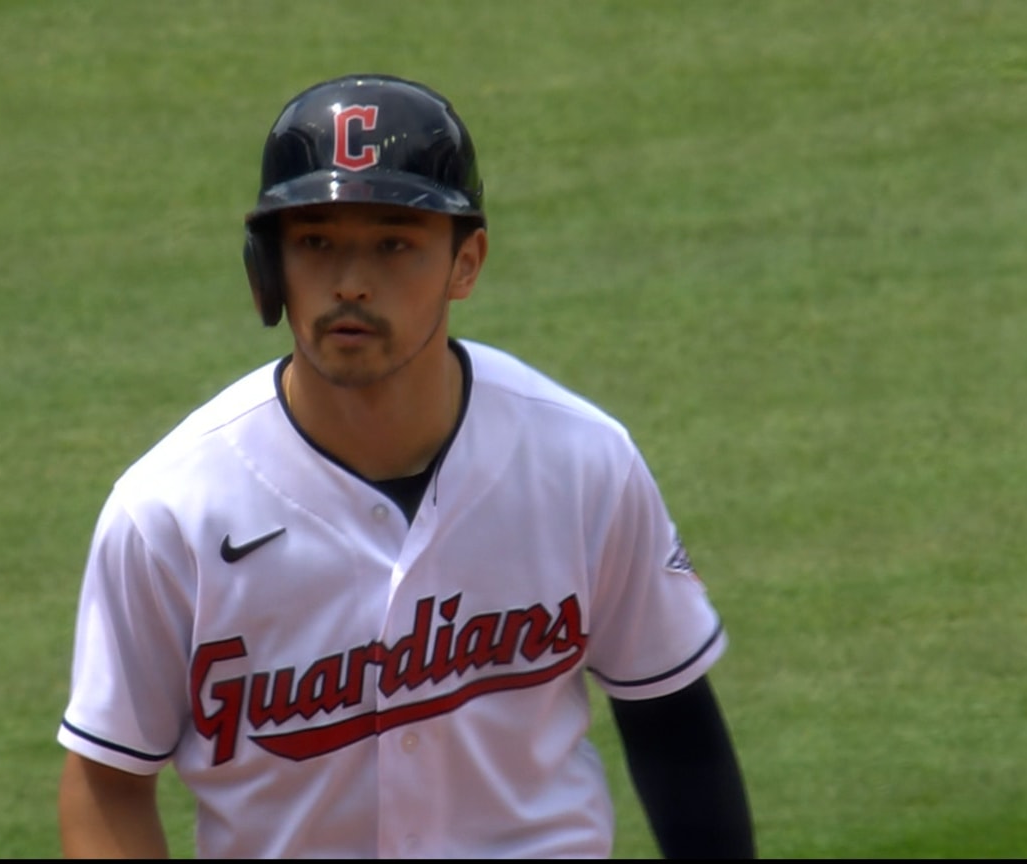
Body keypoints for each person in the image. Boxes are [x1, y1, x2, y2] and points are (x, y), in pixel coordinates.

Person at [55, 72, 755, 859]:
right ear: (268, 267)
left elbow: (671, 722)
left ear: (466, 262)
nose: (350, 283)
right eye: (315, 243)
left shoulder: (581, 462)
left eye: (394, 243)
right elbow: (107, 781)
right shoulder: (172, 509)